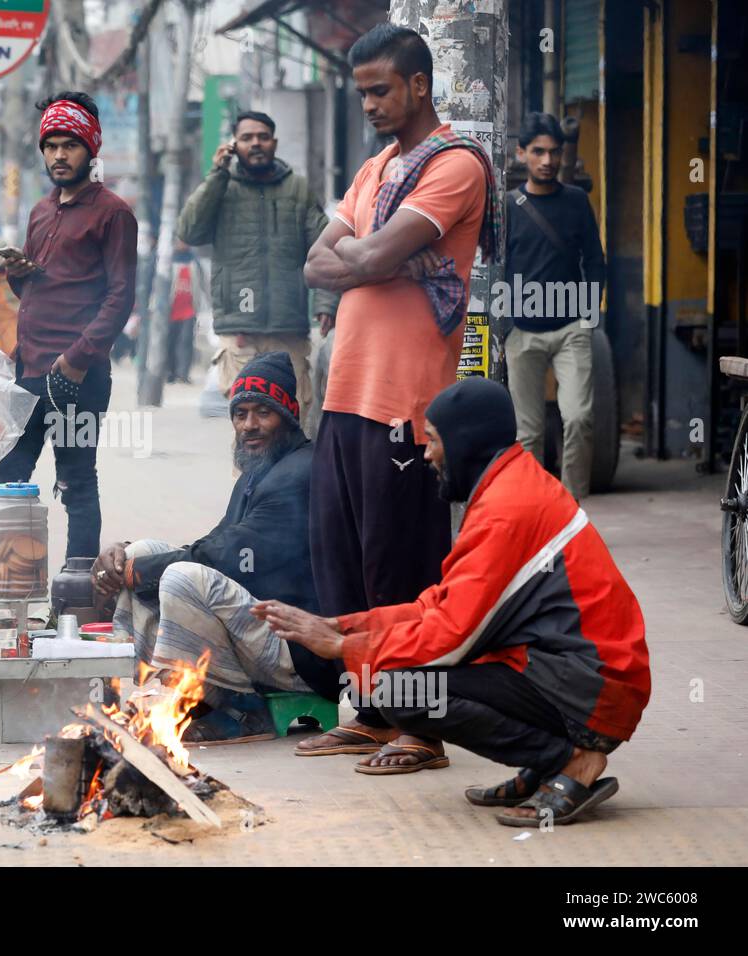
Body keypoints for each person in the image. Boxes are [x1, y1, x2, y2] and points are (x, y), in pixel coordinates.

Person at [256, 376, 650, 825]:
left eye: (435, 441)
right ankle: (546, 764)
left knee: (398, 689)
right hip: (573, 670)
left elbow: (451, 639)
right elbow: (440, 603)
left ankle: (570, 762)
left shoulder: (508, 508)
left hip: (594, 684)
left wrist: (347, 650)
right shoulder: (505, 487)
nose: (426, 455)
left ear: (467, 442)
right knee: (400, 673)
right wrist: (344, 627)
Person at [296, 23, 499, 758]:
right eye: (361, 94)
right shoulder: (377, 166)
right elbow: (317, 263)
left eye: (380, 90)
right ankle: (374, 710)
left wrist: (373, 257)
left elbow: (369, 250)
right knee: (343, 562)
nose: (371, 106)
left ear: (418, 85)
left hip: (407, 405)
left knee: (403, 569)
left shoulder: (455, 165)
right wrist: (375, 262)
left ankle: (423, 726)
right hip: (344, 393)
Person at [93, 353, 333, 744]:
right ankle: (149, 688)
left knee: (179, 576)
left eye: (263, 413)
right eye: (240, 414)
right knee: (147, 550)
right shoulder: (260, 471)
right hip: (259, 635)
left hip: (301, 656)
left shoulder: (299, 472)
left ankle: (239, 709)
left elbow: (219, 556)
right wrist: (127, 555)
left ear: (288, 416)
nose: (249, 426)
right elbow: (213, 546)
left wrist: (136, 569)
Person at [0, 90, 137, 562]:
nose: (58, 154)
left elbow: (120, 297)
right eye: (51, 145)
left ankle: (74, 598)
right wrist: (20, 274)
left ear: (90, 149)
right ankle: (9, 589)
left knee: (76, 483)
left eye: (69, 145)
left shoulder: (113, 214)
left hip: (79, 378)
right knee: (6, 480)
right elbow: (36, 293)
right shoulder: (40, 211)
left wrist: (77, 360)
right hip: (29, 371)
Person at [177, 110, 339, 437]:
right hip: (239, 331)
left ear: (274, 142)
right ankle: (250, 489)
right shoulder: (221, 187)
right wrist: (217, 174)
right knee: (250, 431)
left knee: (294, 426)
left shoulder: (297, 189)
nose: (256, 143)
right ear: (234, 144)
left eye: (263, 137)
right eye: (247, 137)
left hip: (288, 329)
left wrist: (326, 301)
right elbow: (190, 231)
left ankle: (289, 488)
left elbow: (327, 247)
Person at [504, 112, 607, 501]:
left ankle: (571, 507)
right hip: (523, 333)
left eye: (554, 152)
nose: (547, 160)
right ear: (521, 155)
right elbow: (496, 267)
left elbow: (595, 262)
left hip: (570, 330)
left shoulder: (577, 201)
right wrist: (504, 328)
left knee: (579, 418)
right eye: (538, 152)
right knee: (526, 434)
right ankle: (534, 510)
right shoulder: (509, 206)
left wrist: (588, 317)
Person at [166, 242, 197, 384]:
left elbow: (201, 286)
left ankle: (183, 373)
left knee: (186, 341)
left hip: (189, 309)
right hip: (171, 310)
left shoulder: (194, 262)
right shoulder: (169, 261)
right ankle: (170, 372)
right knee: (170, 342)